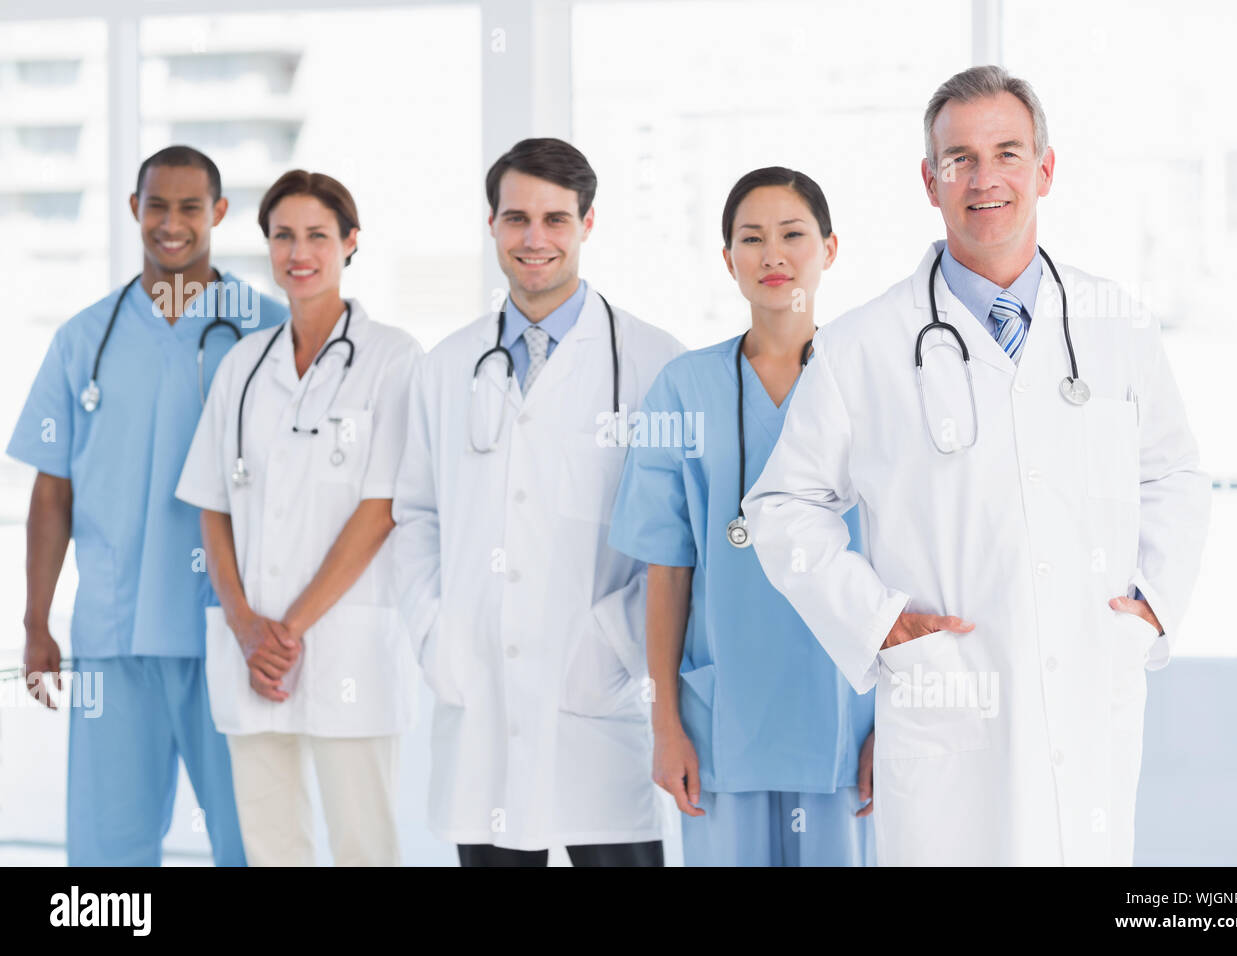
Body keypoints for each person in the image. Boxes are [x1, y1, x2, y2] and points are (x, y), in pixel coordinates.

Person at [743, 66, 1211, 866]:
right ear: (930, 182)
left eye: (1007, 152)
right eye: (959, 158)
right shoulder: (865, 343)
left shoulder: (1116, 324)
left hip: (1088, 689)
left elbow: (1175, 476)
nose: (985, 178)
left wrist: (1151, 607)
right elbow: (782, 506)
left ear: (1046, 169)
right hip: (947, 703)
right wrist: (876, 619)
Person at [392, 137, 684, 866]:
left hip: (600, 704)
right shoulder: (447, 366)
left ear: (588, 224)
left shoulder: (655, 364)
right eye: (517, 217)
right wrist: (437, 633)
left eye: (555, 219)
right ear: (491, 224)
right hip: (479, 690)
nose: (535, 238)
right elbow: (414, 516)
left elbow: (681, 540)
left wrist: (615, 645)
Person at [10, 145, 288, 866]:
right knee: (107, 852)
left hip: (231, 633)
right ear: (135, 210)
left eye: (190, 207)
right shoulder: (85, 339)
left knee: (254, 842)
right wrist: (37, 620)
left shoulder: (266, 330)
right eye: (156, 205)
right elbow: (52, 489)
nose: (172, 224)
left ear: (218, 214)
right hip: (113, 635)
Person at [607, 167, 877, 866]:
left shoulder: (872, 382)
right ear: (729, 260)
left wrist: (895, 725)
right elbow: (667, 570)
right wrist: (665, 722)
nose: (773, 255)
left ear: (831, 248)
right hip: (724, 717)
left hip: (845, 715)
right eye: (751, 239)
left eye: (793, 234)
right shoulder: (685, 388)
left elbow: (908, 557)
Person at [175, 170, 420, 867]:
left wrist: (287, 631)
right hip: (251, 650)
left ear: (350, 242)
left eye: (317, 234)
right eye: (283, 235)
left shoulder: (394, 358)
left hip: (346, 647)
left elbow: (382, 510)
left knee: (364, 847)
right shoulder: (244, 366)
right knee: (273, 847)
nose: (299, 251)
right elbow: (213, 504)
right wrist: (247, 627)